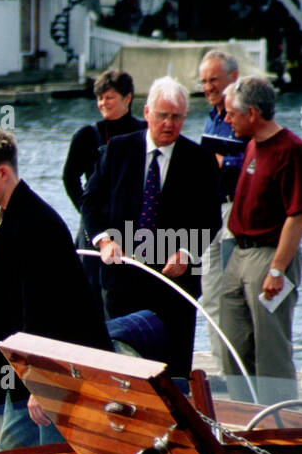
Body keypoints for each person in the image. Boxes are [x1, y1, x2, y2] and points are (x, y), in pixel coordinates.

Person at [0, 129, 113, 450]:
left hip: (51, 371)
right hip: (20, 369)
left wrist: (42, 385)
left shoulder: (35, 223)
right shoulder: (6, 215)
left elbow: (47, 312)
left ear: (2, 172)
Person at [82, 76, 221, 379]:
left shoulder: (200, 160)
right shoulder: (116, 150)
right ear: (146, 113)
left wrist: (187, 252)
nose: (169, 124)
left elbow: (210, 217)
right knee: (120, 371)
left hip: (174, 285)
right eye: (162, 116)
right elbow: (90, 201)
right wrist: (104, 241)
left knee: (173, 375)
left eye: (177, 117)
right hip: (121, 282)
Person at [219, 75, 302, 404]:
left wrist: (277, 270)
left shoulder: (292, 150)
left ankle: (283, 422)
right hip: (239, 254)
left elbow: (298, 215)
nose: (226, 119)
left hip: (269, 256)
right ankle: (244, 419)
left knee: (271, 352)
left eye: (231, 113)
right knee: (231, 345)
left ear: (253, 114)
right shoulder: (252, 146)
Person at [62, 68, 146, 295]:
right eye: (99, 98)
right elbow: (69, 178)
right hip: (95, 225)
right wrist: (86, 210)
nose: (103, 103)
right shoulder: (86, 136)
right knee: (90, 290)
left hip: (133, 223)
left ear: (127, 98)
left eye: (109, 97)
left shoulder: (145, 131)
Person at [196, 49, 246, 346]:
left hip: (235, 210)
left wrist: (222, 163)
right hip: (211, 211)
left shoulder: (244, 114)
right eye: (203, 81)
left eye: (214, 79)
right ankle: (222, 366)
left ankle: (239, 370)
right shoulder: (212, 118)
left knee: (232, 294)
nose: (208, 87)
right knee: (211, 291)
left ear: (234, 77)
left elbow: (255, 160)